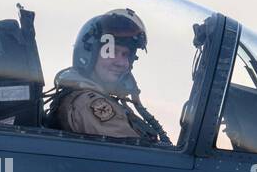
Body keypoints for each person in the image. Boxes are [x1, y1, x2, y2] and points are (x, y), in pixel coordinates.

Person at [46, 8, 168, 143]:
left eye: (125, 54)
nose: (121, 63)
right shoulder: (89, 103)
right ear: (89, 54)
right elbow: (135, 156)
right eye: (111, 52)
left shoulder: (102, 99)